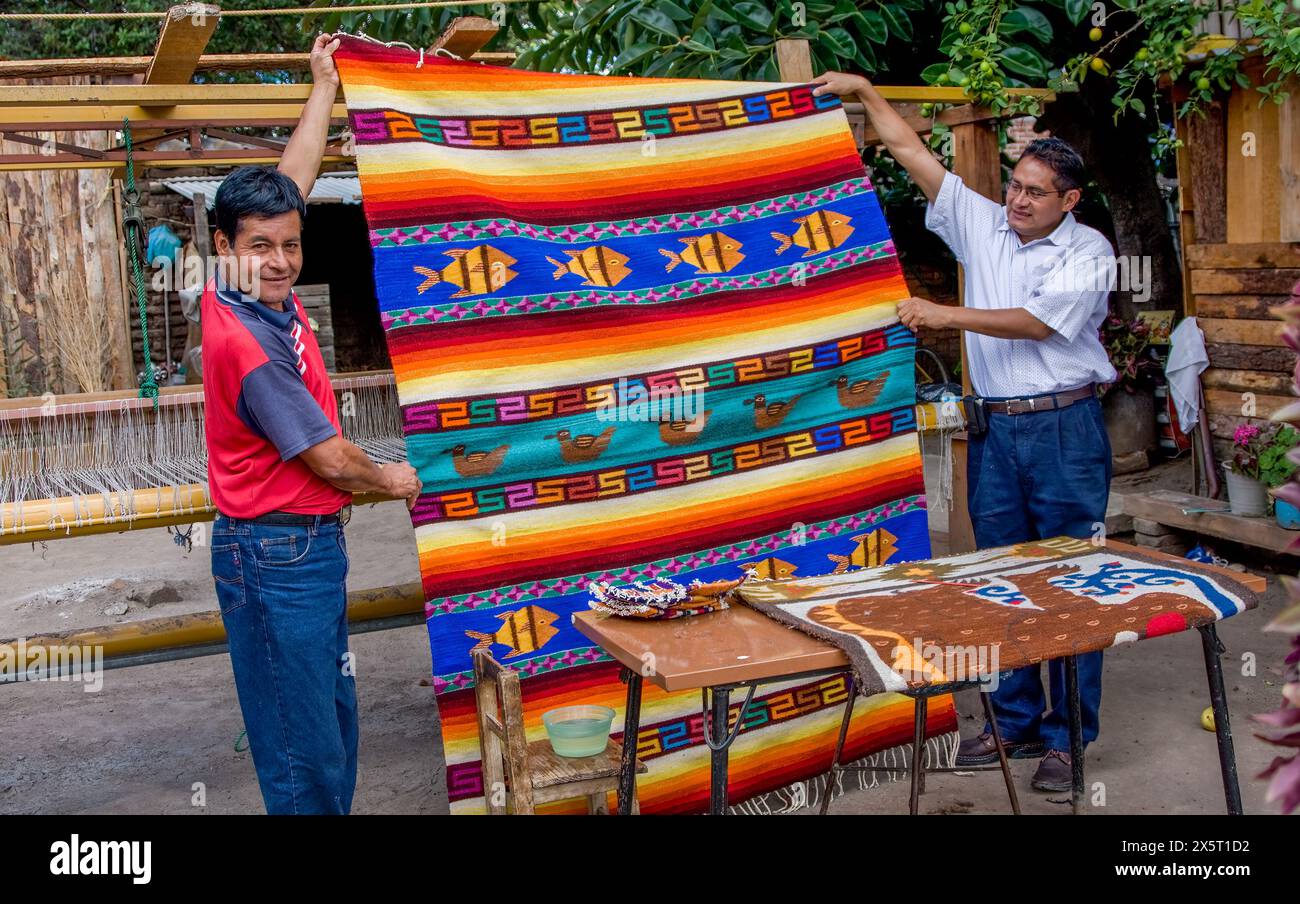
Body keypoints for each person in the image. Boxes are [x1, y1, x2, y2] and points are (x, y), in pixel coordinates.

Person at [812, 71, 1118, 792]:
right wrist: (862, 90)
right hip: (996, 435)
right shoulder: (984, 222)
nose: (1017, 198)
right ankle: (1011, 724)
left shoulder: (1090, 251)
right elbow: (911, 153)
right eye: (1015, 184)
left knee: (1071, 582)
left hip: (1065, 431)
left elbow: (1039, 325)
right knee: (1001, 582)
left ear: (1068, 201)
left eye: (1036, 191)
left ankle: (1067, 741)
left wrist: (945, 315)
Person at [203, 33, 422, 814]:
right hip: (276, 554)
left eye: (291, 245)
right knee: (306, 750)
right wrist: (395, 477)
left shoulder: (235, 286)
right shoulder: (248, 342)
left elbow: (291, 183)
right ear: (223, 247)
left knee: (329, 717)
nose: (280, 260)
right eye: (260, 246)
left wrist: (322, 85)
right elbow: (330, 461)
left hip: (298, 548)